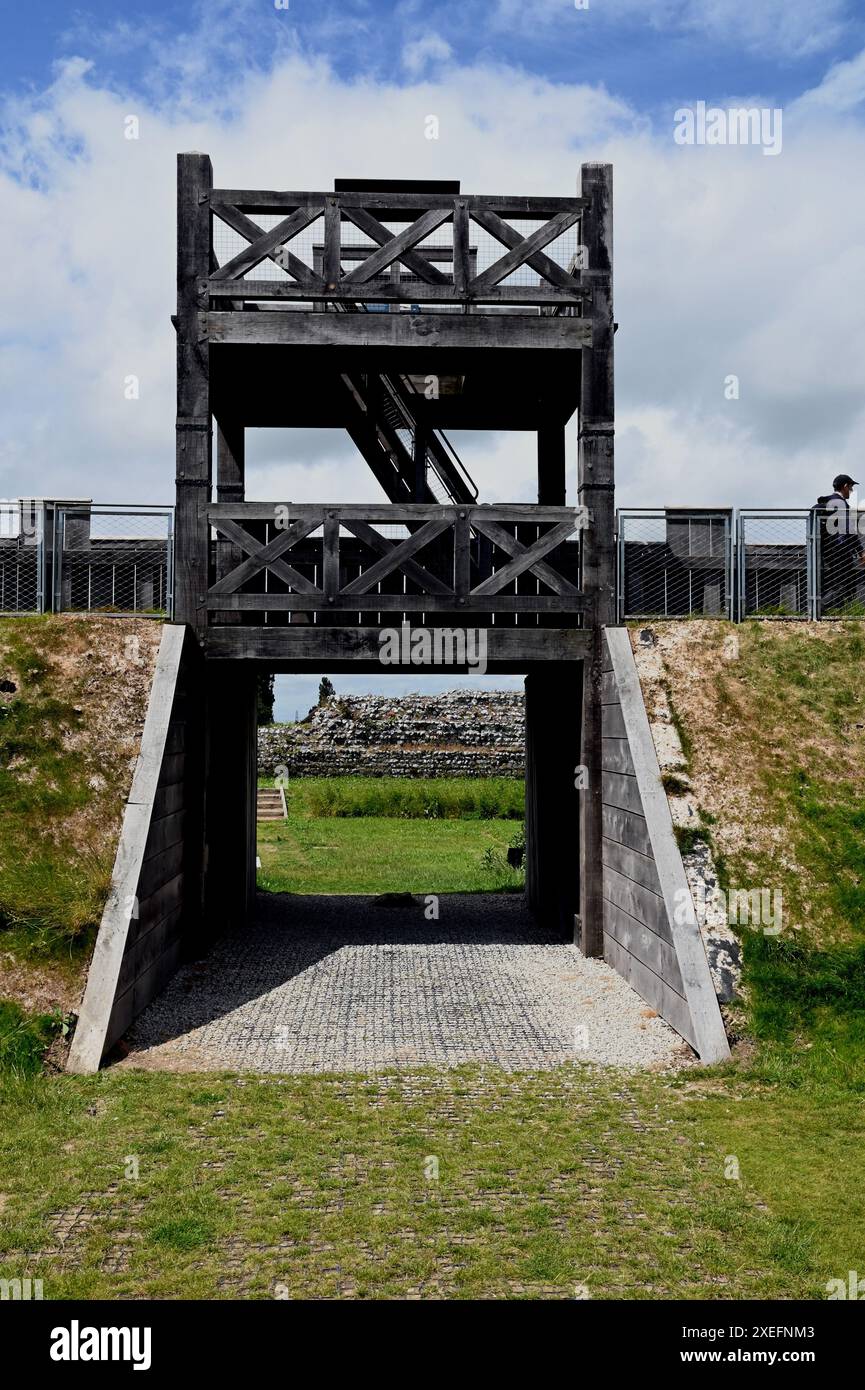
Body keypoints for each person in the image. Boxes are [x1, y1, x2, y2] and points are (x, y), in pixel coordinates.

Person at [817, 474, 865, 612]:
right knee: (843, 585)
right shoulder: (841, 504)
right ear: (845, 486)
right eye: (851, 487)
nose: (851, 491)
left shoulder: (826, 503)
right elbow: (849, 531)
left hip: (827, 550)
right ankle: (820, 608)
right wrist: (861, 551)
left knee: (838, 583)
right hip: (841, 551)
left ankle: (833, 611)